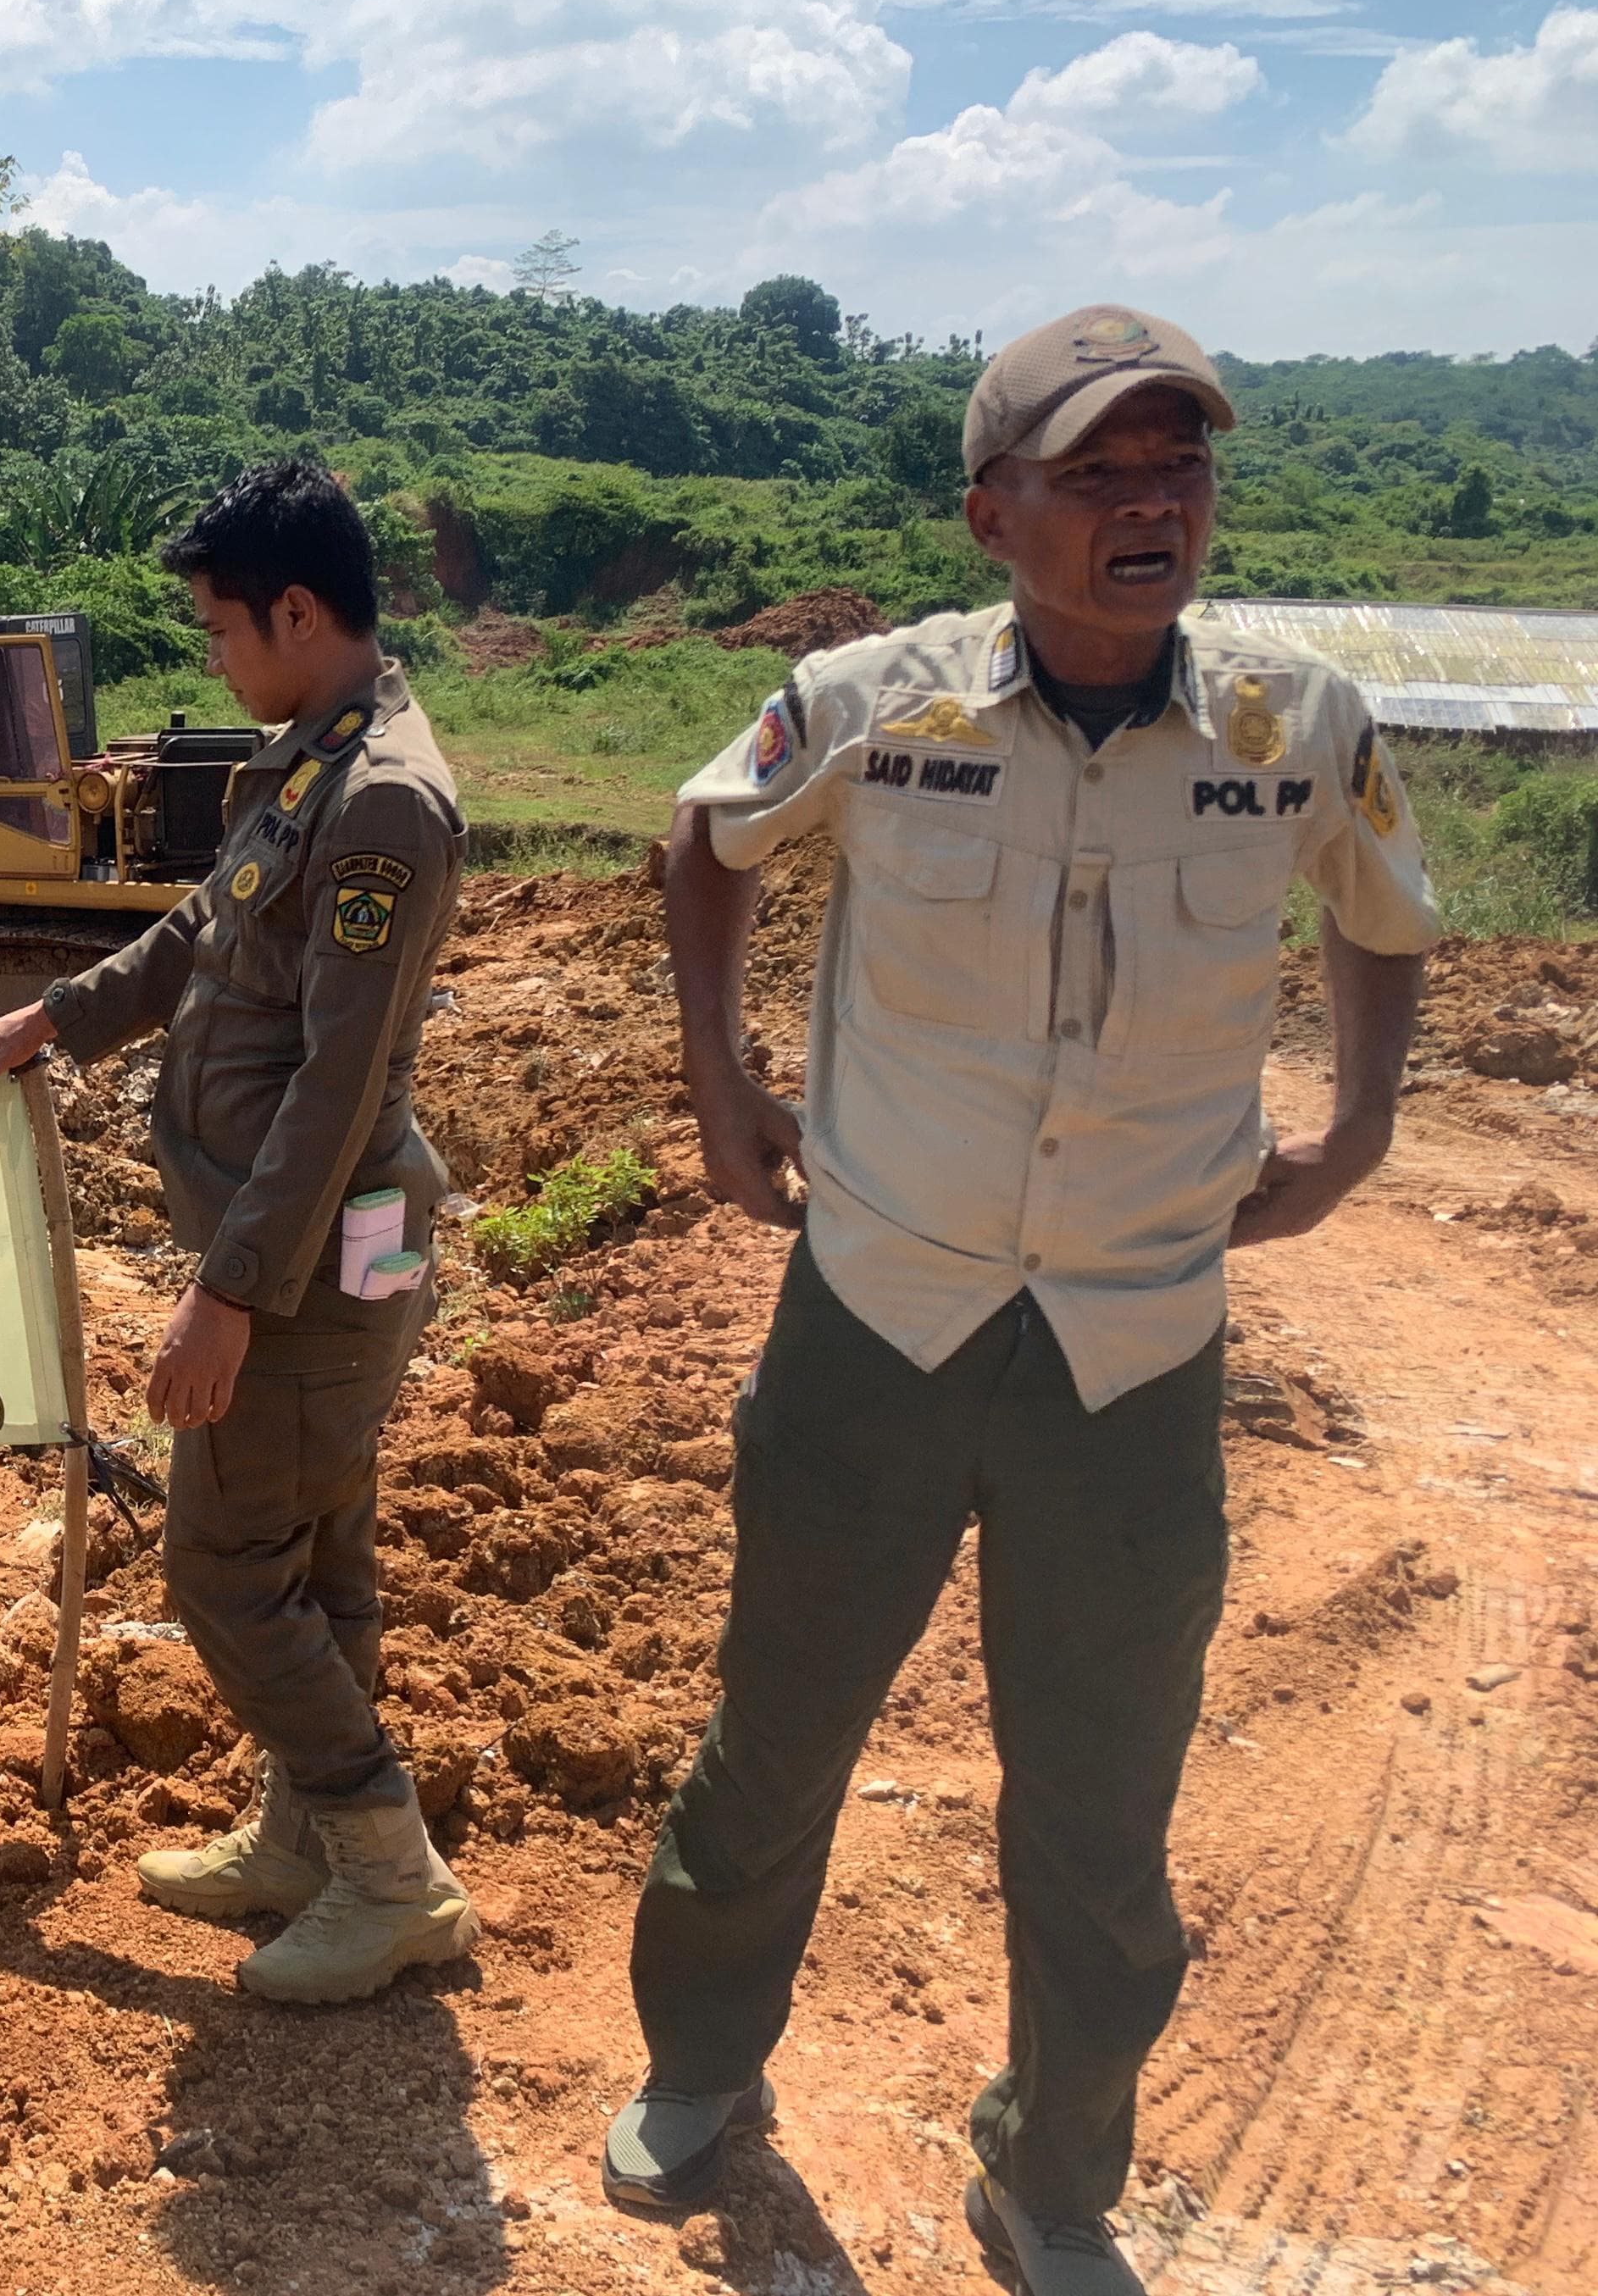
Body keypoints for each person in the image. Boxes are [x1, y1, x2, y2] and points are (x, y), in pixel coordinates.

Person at [602, 308, 1436, 2294]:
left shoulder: (1292, 726)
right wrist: (723, 1087)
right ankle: (704, 2067)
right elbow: (703, 842)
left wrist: (1363, 1135)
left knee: (1102, 1801)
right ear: (998, 512)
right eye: (1098, 474)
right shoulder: (878, 703)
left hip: (1133, 1353)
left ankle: (1054, 2175)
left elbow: (1388, 912)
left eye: (1181, 470)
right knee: (781, 1732)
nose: (1151, 506)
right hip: (876, 1316)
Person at [0, 452, 477, 2004]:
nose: (213, 653)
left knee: (219, 1561)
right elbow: (203, 932)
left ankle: (391, 1872)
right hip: (336, 1234)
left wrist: (231, 1297)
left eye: (221, 627)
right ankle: (304, 1832)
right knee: (316, 1537)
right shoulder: (315, 756)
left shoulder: (382, 799)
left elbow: (335, 1085)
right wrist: (64, 1012)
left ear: (301, 609)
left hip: (330, 1243)